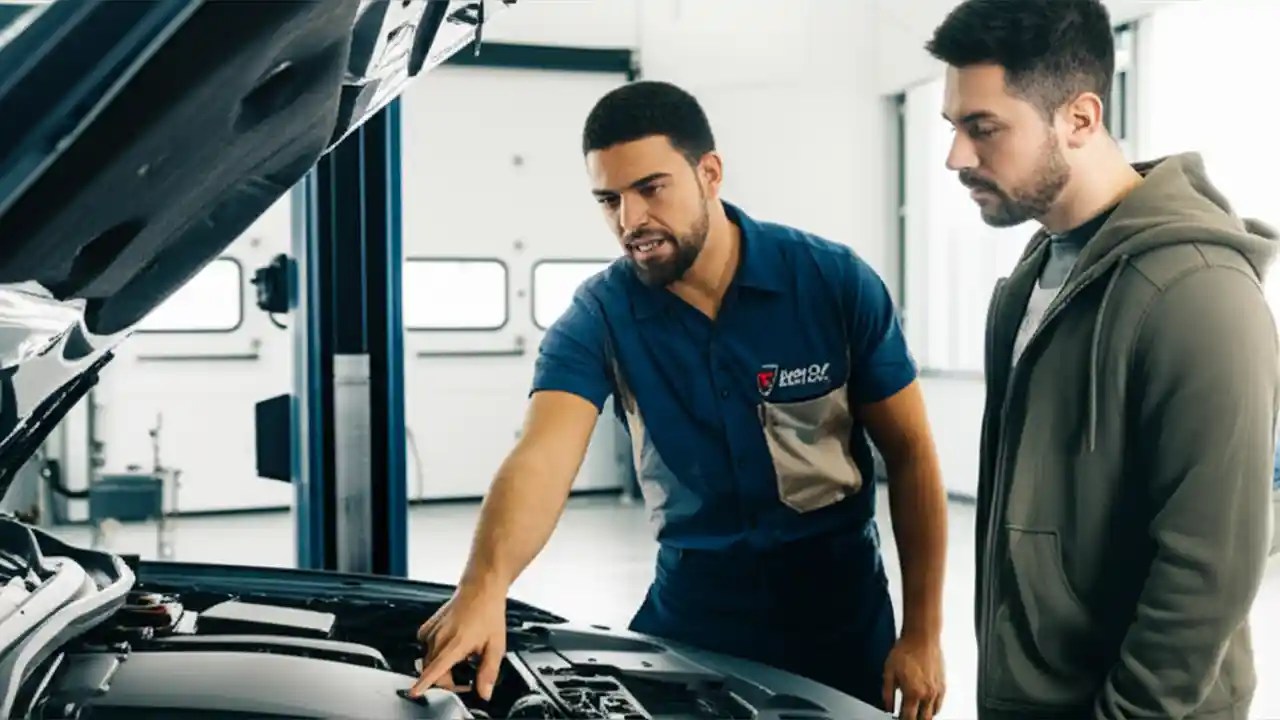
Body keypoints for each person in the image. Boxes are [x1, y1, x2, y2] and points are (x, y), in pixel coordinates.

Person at [407, 80, 950, 718]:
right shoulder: (600, 315)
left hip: (840, 614)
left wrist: (923, 634)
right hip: (695, 615)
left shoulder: (832, 283)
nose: (629, 220)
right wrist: (484, 586)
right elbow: (542, 455)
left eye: (651, 189)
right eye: (609, 199)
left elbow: (910, 454)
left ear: (709, 173)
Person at [926, 1, 1279, 718]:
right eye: (952, 126)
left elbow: (1208, 573)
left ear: (1080, 118)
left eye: (982, 128)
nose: (956, 157)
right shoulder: (1033, 277)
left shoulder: (1199, 292)